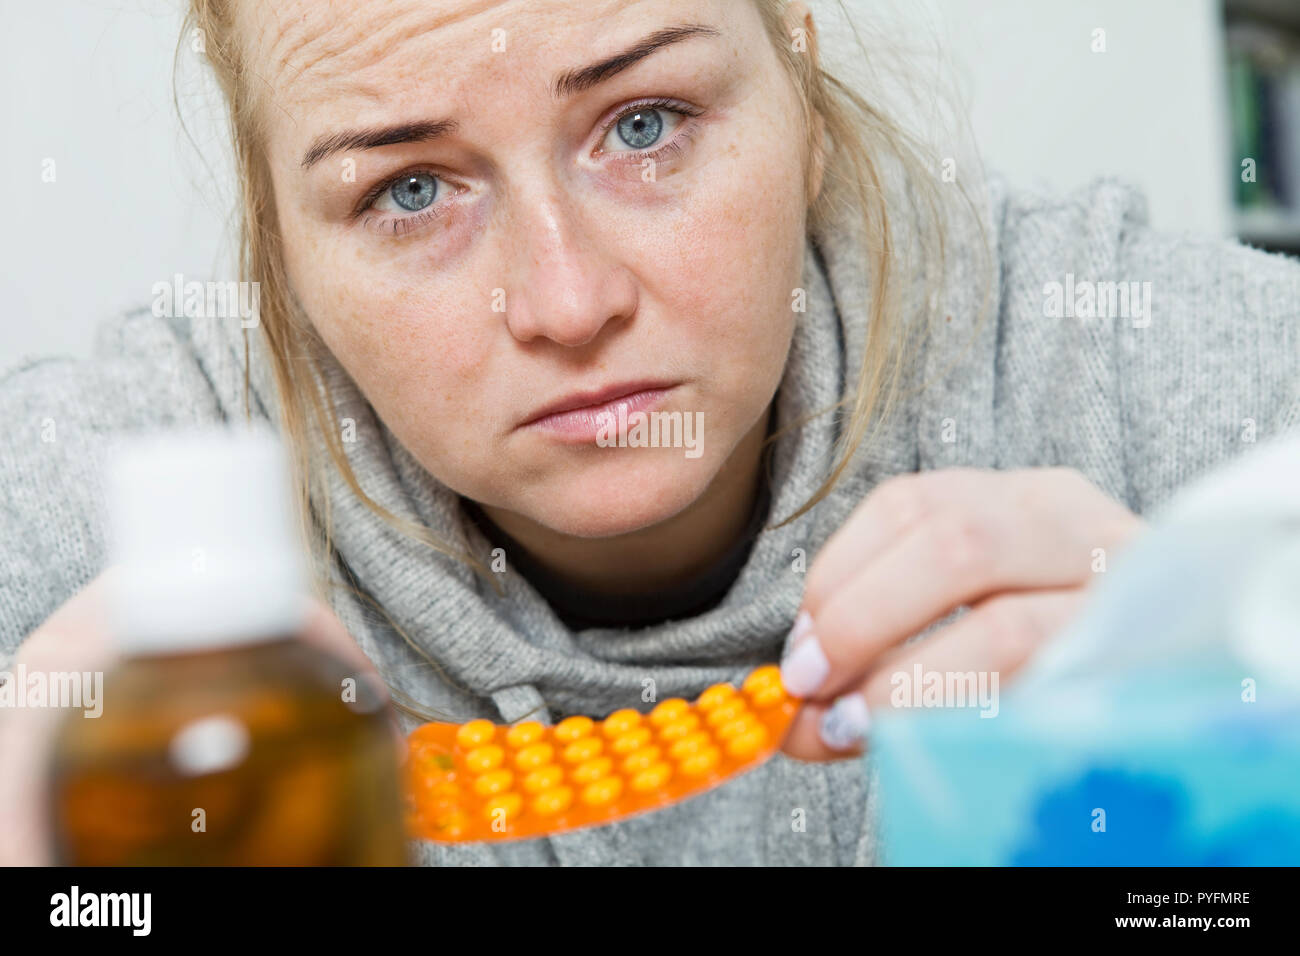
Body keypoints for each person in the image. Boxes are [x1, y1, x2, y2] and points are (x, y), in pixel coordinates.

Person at [1, 0, 1297, 866]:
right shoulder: (97, 506)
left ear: (796, 71)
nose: (568, 303)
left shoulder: (1184, 383)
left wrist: (1237, 781)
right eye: (408, 191)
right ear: (277, 242)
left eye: (644, 124)